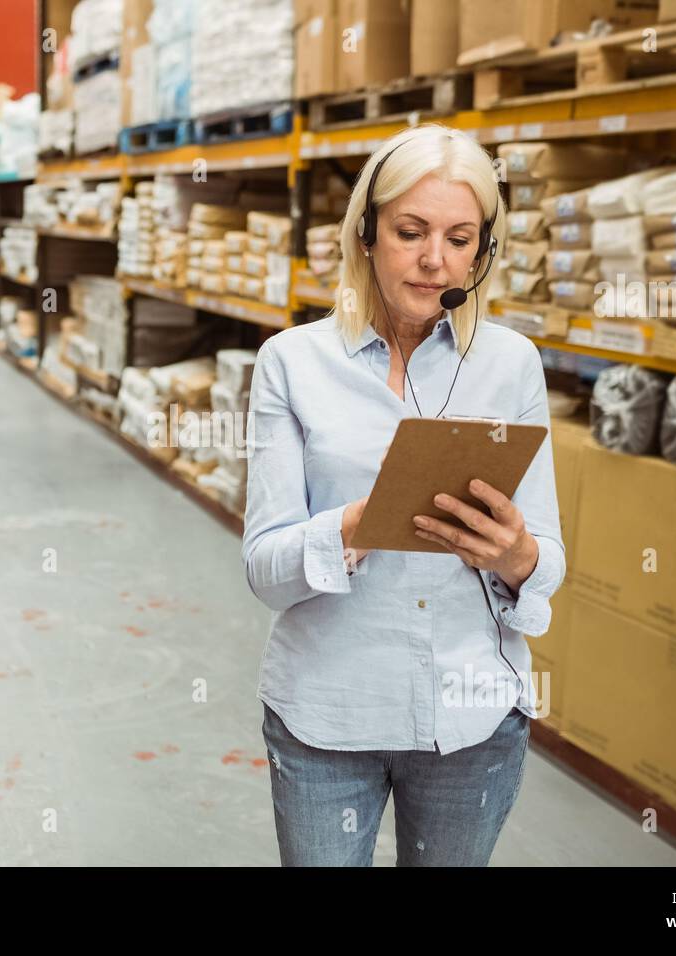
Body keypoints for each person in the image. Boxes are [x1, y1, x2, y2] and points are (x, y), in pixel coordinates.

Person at [241, 123, 565, 866]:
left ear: (481, 253)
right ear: (366, 234)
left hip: (471, 717)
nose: (433, 260)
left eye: (459, 239)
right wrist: (352, 527)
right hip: (329, 713)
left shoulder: (512, 366)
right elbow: (264, 568)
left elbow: (547, 562)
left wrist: (516, 554)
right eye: (410, 231)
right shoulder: (291, 363)